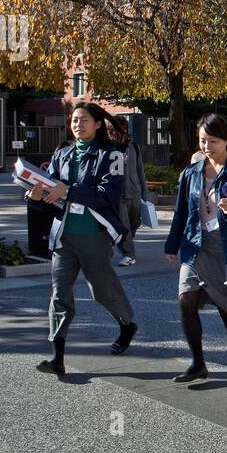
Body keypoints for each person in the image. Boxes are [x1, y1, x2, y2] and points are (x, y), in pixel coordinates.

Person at [29, 101, 138, 376]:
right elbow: (52, 194)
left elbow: (106, 195)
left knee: (102, 290)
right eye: (75, 120)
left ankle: (127, 324)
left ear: (98, 123)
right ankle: (58, 358)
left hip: (94, 235)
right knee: (59, 295)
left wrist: (69, 190)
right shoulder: (62, 155)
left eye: (84, 120)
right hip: (64, 236)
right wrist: (37, 197)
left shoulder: (110, 155)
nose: (78, 124)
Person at [163, 113, 227, 383]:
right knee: (186, 300)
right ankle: (197, 363)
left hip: (225, 247)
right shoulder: (190, 174)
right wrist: (172, 244)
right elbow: (180, 212)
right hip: (195, 245)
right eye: (203, 141)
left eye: (213, 141)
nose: (207, 147)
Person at [107, 115, 150, 266]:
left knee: (135, 223)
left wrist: (145, 192)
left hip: (134, 191)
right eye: (110, 130)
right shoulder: (107, 148)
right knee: (124, 225)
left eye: (115, 130)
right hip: (117, 194)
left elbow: (140, 170)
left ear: (124, 129)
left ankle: (118, 242)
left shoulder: (133, 146)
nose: (112, 133)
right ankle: (128, 253)